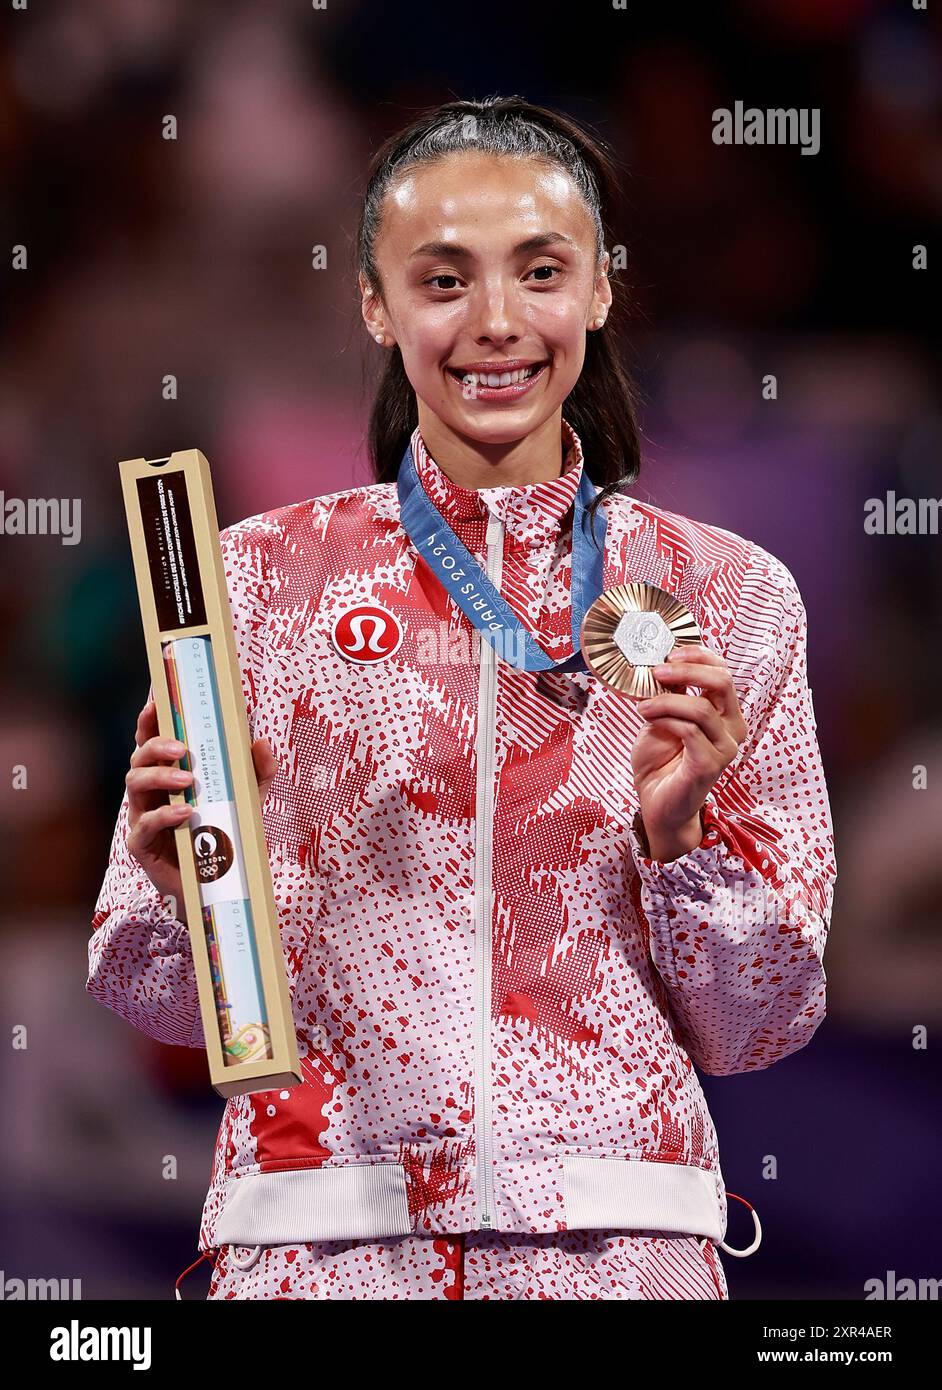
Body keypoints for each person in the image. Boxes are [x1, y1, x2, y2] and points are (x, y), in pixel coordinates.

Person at [88, 95, 836, 1301]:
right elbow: (159, 1003)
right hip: (318, 1249)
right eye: (443, 281)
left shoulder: (729, 593)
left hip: (621, 1249)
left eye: (540, 271)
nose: (497, 322)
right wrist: (183, 890)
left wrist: (682, 838)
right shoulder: (251, 585)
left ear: (598, 289)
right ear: (375, 305)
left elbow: (762, 1021)